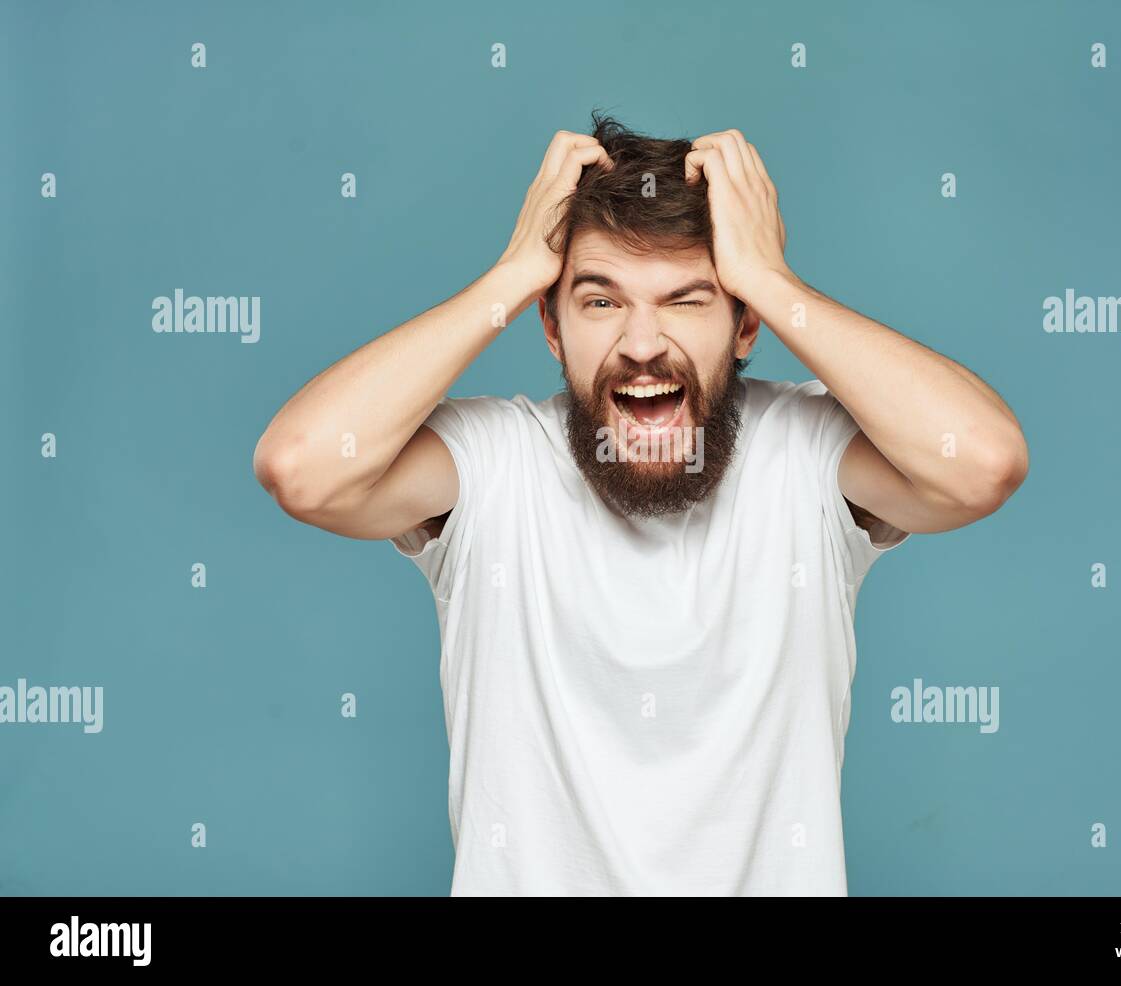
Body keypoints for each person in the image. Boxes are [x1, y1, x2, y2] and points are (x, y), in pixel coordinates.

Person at [253, 113, 1029, 896]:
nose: (643, 343)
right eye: (600, 302)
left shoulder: (808, 455)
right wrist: (514, 274)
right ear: (551, 328)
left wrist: (773, 280)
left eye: (688, 300)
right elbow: (302, 469)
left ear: (746, 324)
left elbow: (984, 463)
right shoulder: (496, 463)